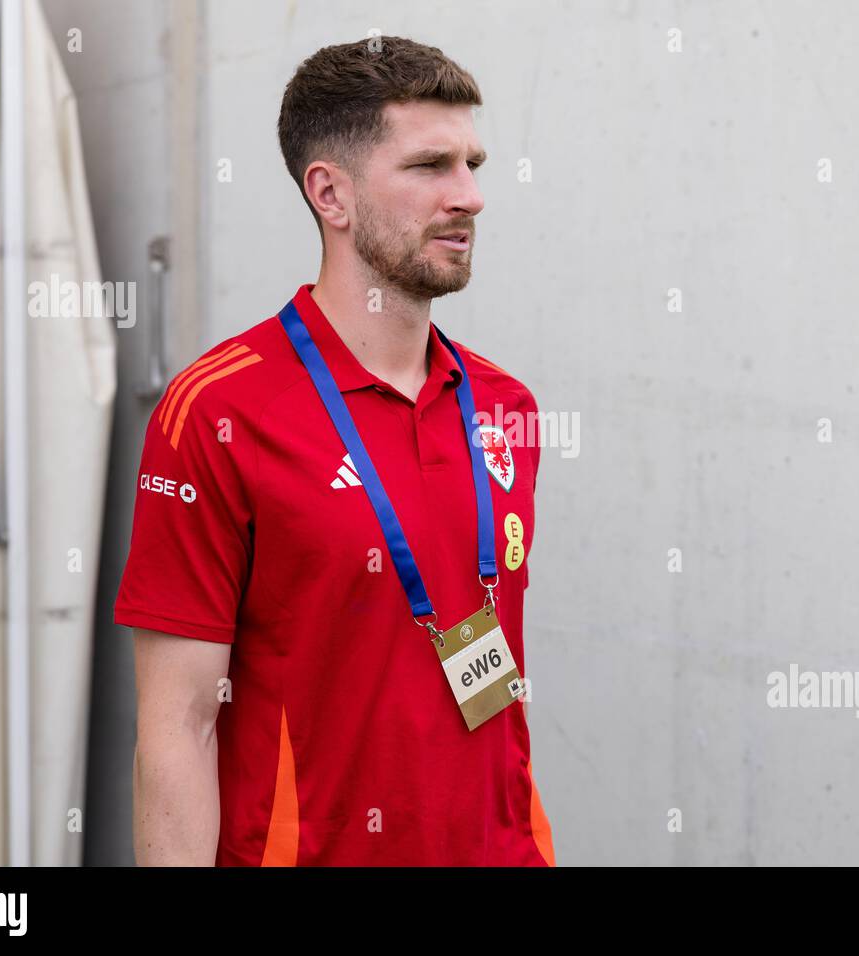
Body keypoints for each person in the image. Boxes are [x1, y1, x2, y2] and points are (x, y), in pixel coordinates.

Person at [113, 35, 555, 866]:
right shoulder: (217, 411)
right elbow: (178, 728)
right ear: (331, 194)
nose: (470, 196)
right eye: (431, 165)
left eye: (473, 163)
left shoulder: (506, 406)